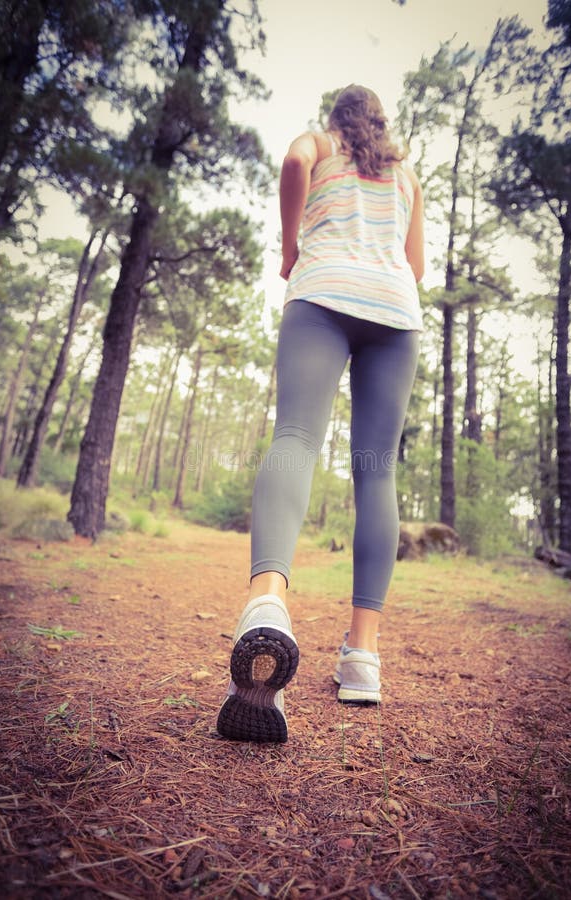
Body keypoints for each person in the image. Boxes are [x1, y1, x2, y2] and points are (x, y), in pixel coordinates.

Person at [216, 84, 424, 743]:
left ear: (335, 116)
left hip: (324, 288)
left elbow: (290, 164)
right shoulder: (404, 175)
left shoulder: (321, 142)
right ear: (380, 123)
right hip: (394, 309)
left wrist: (291, 247)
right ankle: (362, 656)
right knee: (376, 472)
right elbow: (416, 265)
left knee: (298, 437)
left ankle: (266, 599)